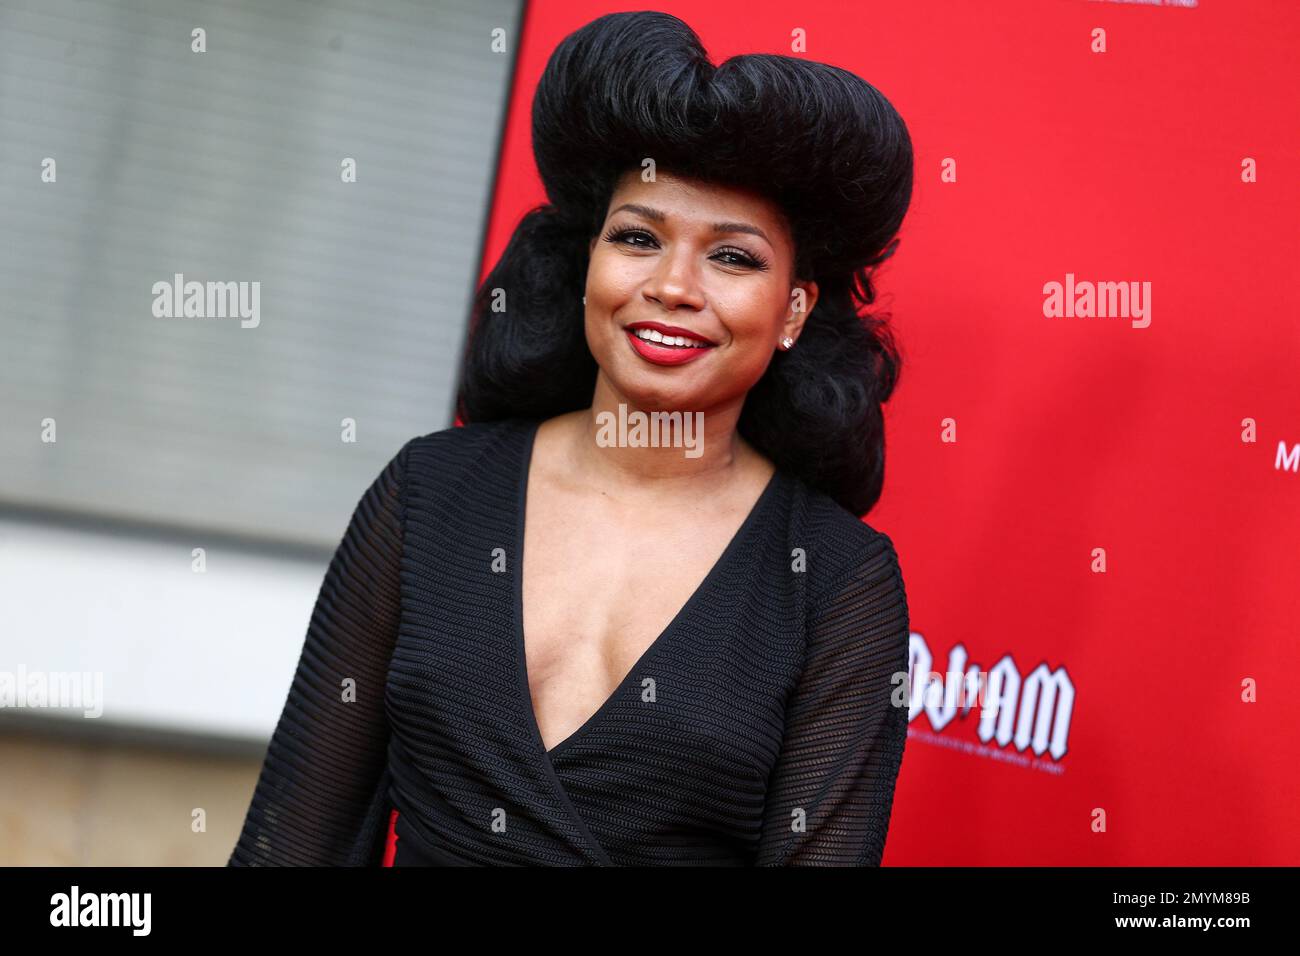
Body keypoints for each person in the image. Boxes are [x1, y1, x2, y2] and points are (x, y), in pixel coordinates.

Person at [229, 9, 914, 867]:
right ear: (586, 260)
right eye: (638, 238)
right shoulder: (429, 492)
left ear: (795, 311)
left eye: (732, 258)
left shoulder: (838, 581)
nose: (671, 286)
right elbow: (294, 841)